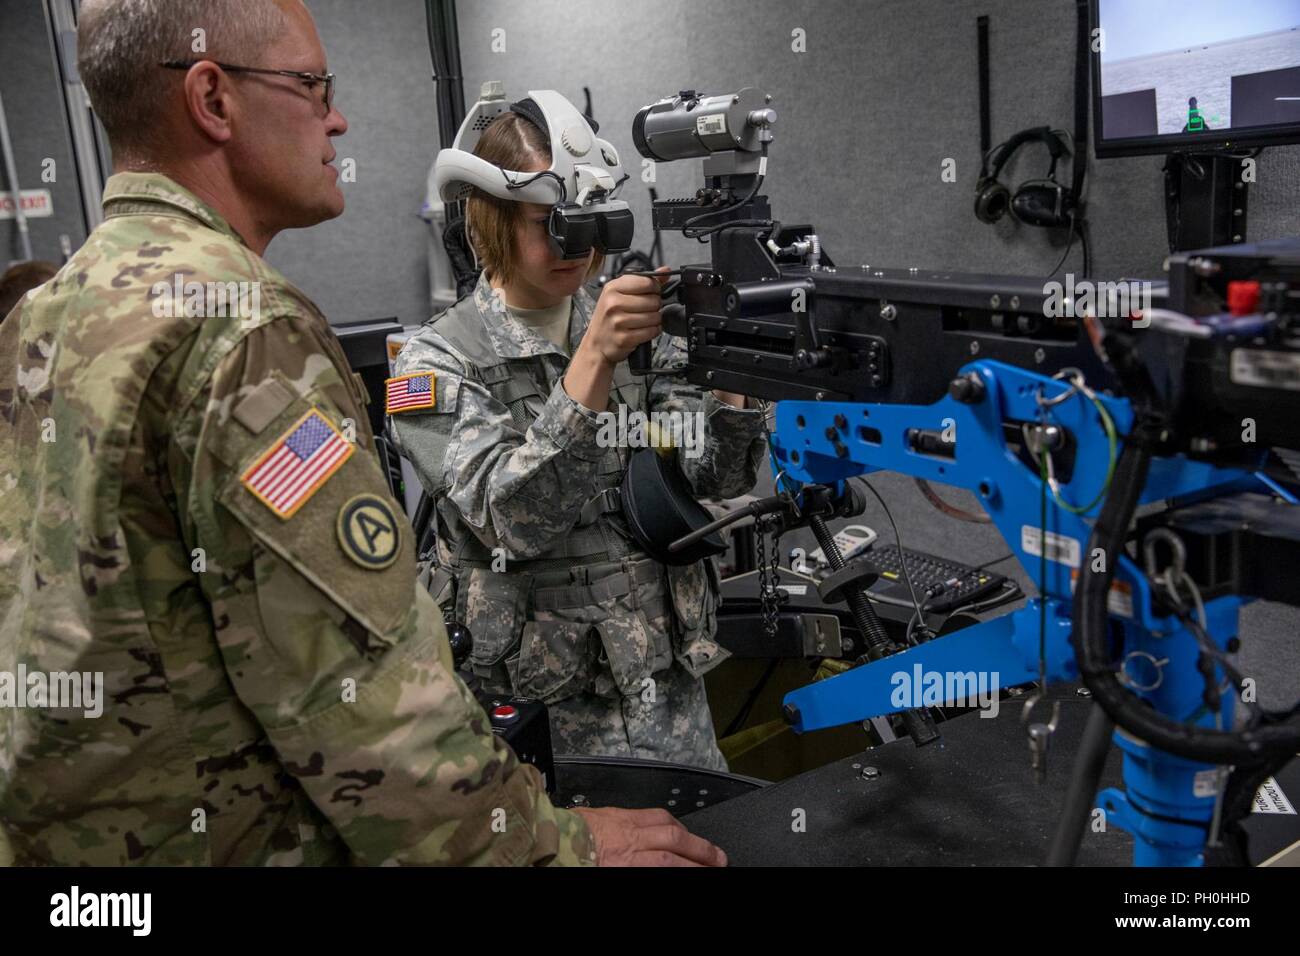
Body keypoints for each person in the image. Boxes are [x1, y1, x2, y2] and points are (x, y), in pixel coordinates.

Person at [0, 0, 725, 868]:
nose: (338, 115)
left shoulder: (47, 314)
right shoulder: (248, 332)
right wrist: (553, 849)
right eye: (312, 85)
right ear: (212, 98)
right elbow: (368, 694)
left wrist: (744, 387)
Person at [389, 101, 769, 771]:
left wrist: (732, 368)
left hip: (668, 692)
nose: (582, 250)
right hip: (543, 725)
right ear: (490, 217)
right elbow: (512, 522)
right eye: (552, 225)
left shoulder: (637, 333)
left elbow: (719, 477)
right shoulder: (432, 363)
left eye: (596, 226)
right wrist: (593, 361)